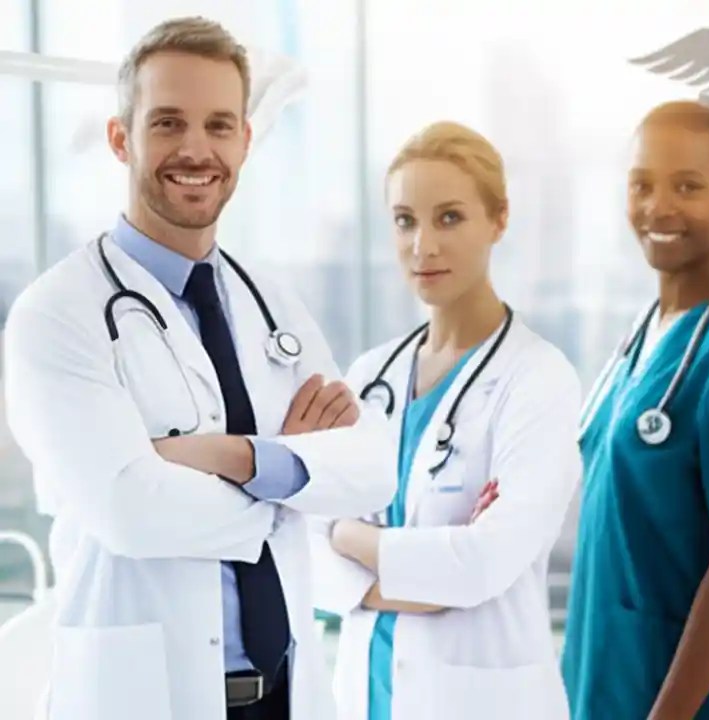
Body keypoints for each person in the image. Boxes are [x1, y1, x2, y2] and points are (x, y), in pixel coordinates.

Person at [2, 17, 395, 720]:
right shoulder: (55, 314)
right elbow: (130, 510)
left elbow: (370, 467)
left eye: (219, 125)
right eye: (168, 123)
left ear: (245, 140)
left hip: (284, 694)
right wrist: (291, 478)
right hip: (144, 699)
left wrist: (230, 457)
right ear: (121, 138)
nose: (195, 149)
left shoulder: (269, 302)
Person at [310, 121, 582, 720]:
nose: (423, 245)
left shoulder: (538, 380)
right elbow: (305, 548)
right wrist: (414, 580)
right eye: (406, 220)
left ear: (499, 219)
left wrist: (352, 537)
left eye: (450, 218)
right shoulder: (368, 376)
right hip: (363, 697)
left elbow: (483, 563)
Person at [560, 100, 709, 719]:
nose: (658, 207)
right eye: (642, 185)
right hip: (603, 677)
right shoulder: (648, 332)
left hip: (673, 698)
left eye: (687, 186)